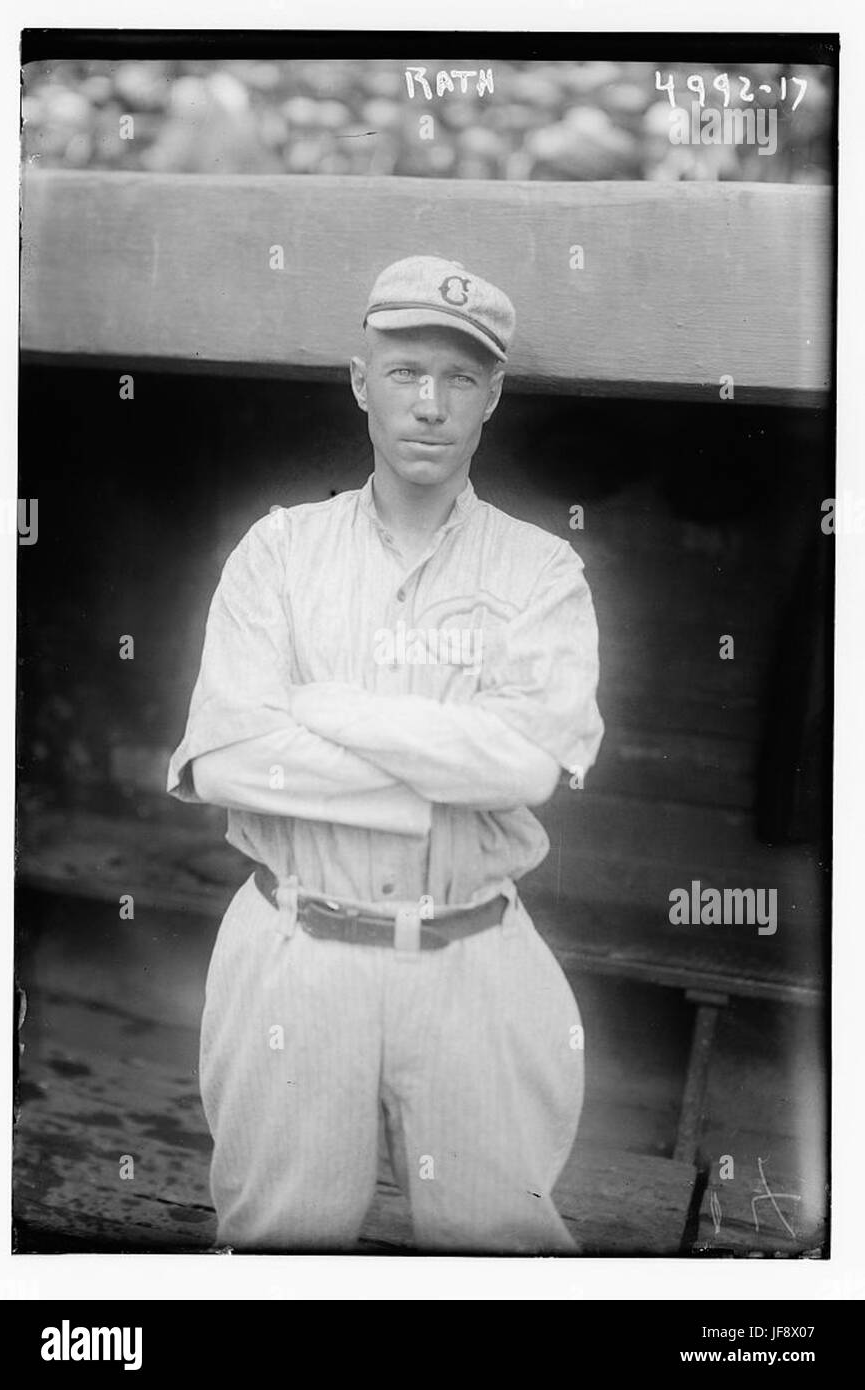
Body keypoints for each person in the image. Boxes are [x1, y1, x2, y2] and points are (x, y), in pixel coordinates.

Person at [167, 254, 604, 1253]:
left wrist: (329, 710)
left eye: (459, 378)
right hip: (297, 948)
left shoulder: (539, 569)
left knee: (497, 1240)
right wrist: (429, 783)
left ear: (491, 396)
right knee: (284, 1235)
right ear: (361, 383)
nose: (430, 404)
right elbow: (225, 761)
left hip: (473, 953)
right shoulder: (278, 552)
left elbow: (529, 767)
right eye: (405, 372)